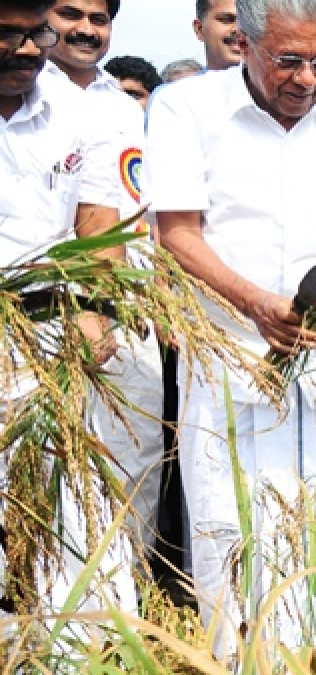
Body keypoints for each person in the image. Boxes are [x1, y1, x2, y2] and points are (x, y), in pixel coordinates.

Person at [144, 0, 316, 657]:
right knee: (232, 546)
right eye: (288, 61)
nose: (308, 80)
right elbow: (177, 232)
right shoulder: (186, 110)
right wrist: (256, 303)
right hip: (233, 372)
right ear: (246, 45)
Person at [0, 0, 134, 622]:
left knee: (67, 515)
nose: (28, 50)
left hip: (48, 339)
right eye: (8, 34)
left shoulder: (76, 115)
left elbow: (98, 225)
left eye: (36, 34)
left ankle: (70, 653)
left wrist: (95, 309)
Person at [44, 0, 167, 563]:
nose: (86, 30)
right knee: (51, 466)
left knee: (135, 450)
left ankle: (128, 608)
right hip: (49, 310)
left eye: (99, 19)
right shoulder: (28, 92)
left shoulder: (122, 105)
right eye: (71, 14)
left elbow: (138, 201)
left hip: (132, 306)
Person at [193, 0, 240, 71]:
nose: (238, 29)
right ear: (199, 29)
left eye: (246, 21)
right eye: (226, 19)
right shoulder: (191, 82)